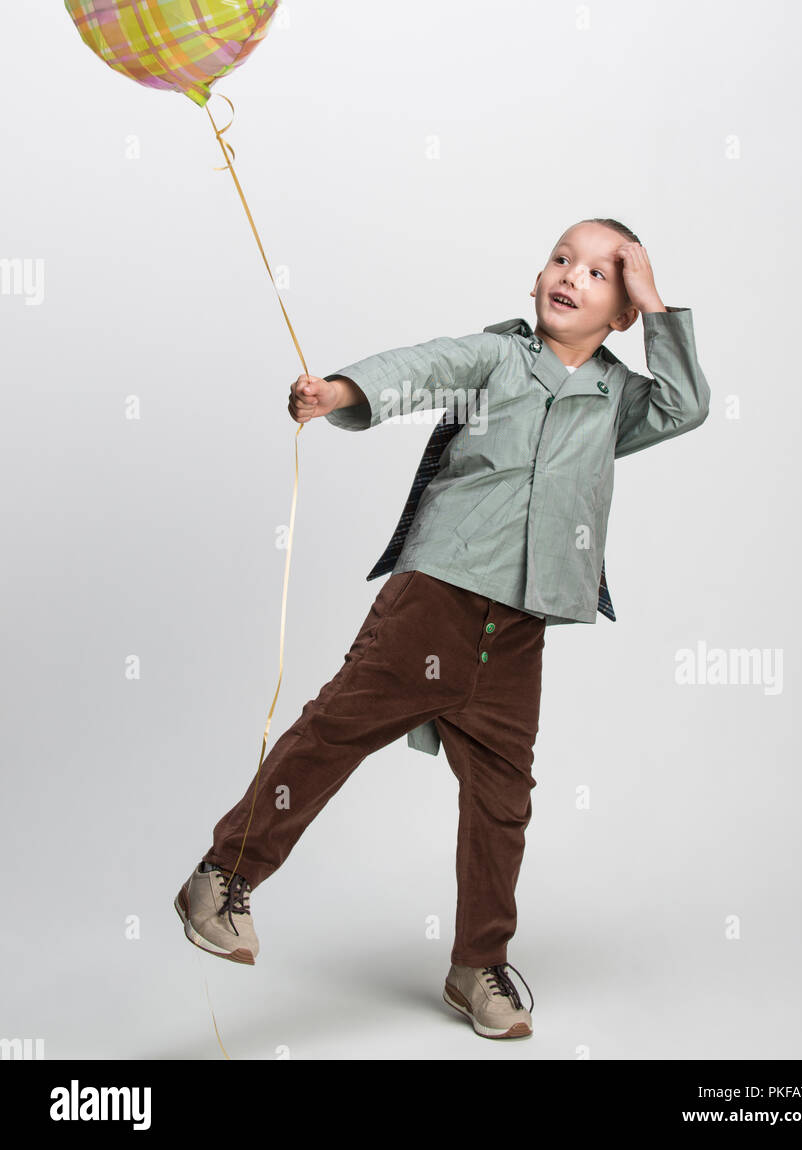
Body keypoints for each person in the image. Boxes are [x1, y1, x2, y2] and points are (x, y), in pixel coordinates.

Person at [174, 217, 711, 1040]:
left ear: (623, 308)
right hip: (441, 593)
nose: (569, 275)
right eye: (559, 258)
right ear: (535, 280)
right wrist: (340, 394)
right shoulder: (496, 359)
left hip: (522, 620)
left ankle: (476, 963)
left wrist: (656, 300)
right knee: (338, 730)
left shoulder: (615, 400)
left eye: (600, 273)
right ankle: (222, 876)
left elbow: (686, 404)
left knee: (503, 799)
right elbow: (420, 369)